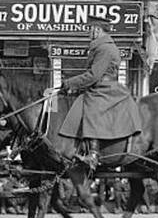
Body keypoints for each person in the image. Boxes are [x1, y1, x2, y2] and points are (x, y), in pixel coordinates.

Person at [47, 16, 142, 168]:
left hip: (105, 88)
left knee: (92, 107)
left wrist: (70, 83)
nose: (88, 32)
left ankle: (93, 153)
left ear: (97, 30)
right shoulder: (100, 46)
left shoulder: (105, 48)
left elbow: (94, 75)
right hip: (99, 86)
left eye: (90, 29)